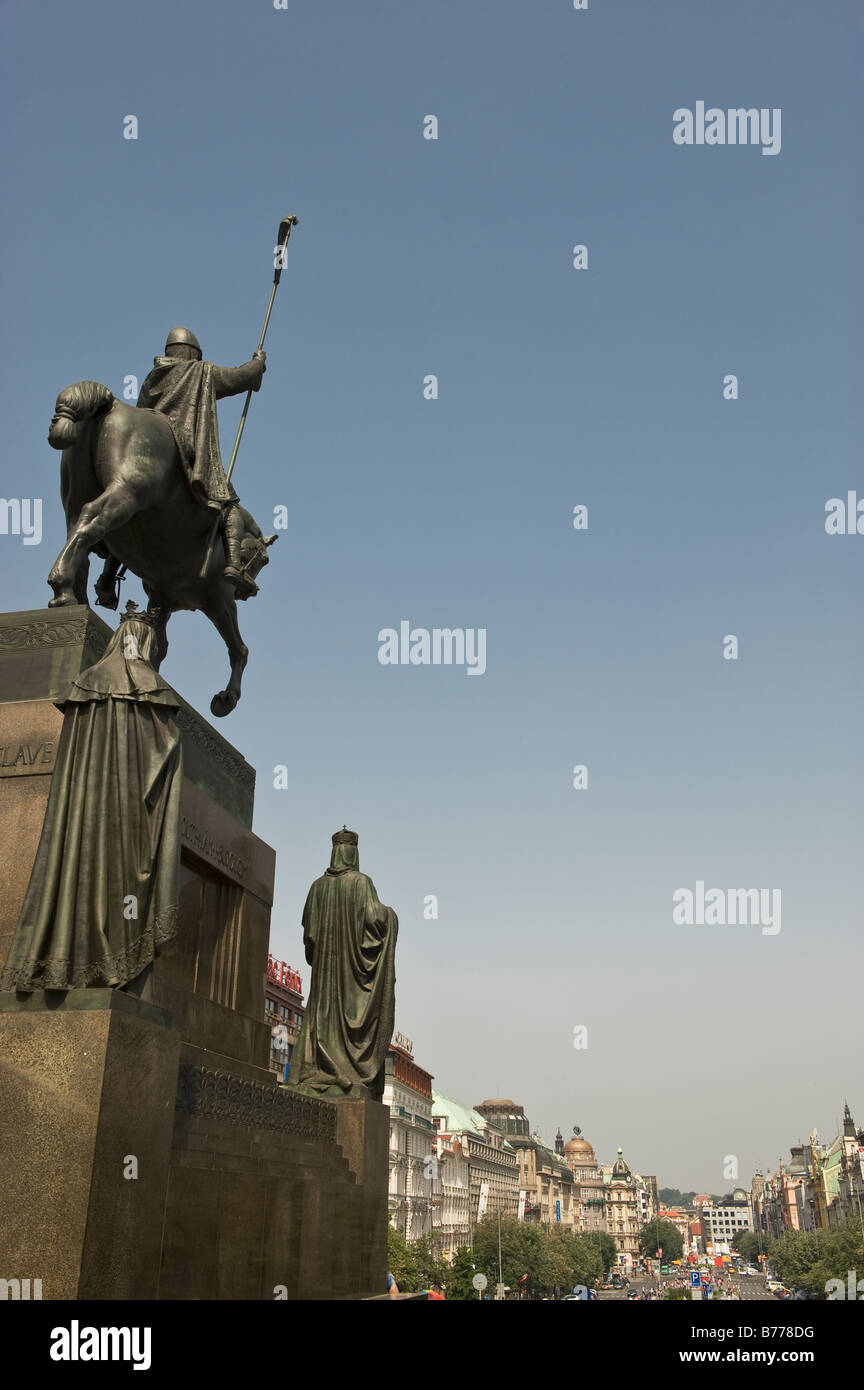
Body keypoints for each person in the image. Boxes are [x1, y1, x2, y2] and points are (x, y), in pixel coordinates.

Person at [135, 327, 271, 597]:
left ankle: (108, 575)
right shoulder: (198, 372)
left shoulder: (153, 378)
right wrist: (257, 364)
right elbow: (237, 378)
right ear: (192, 354)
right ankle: (233, 564)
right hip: (188, 453)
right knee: (229, 503)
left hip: (151, 453)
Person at [287, 829, 398, 1097]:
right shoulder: (362, 883)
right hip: (351, 978)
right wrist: (391, 915)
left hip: (324, 977)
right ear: (353, 852)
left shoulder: (317, 887)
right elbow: (376, 920)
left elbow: (309, 937)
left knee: (320, 1017)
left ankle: (321, 1066)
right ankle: (348, 1070)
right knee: (352, 1017)